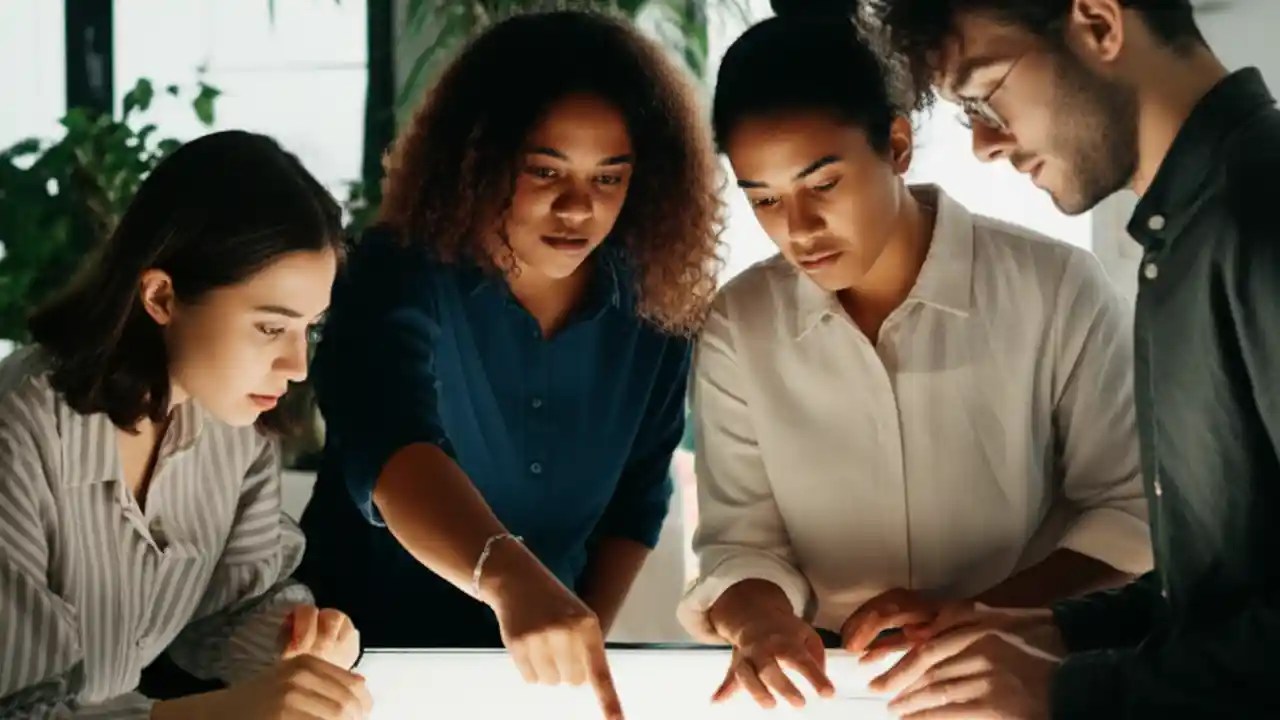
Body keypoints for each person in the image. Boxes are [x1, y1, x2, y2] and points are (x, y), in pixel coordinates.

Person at [676, 6, 1152, 712]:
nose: (798, 228)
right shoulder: (739, 325)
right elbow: (740, 543)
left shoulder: (1055, 289)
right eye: (765, 199)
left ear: (897, 146)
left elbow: (1128, 513)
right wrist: (757, 619)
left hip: (1023, 680)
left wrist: (978, 617)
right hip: (835, 690)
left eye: (823, 185)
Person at [294, 9, 720, 720]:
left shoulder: (654, 309)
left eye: (609, 178)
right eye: (545, 171)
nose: (577, 207)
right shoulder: (399, 271)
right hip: (355, 667)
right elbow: (392, 449)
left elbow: (637, 503)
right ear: (478, 161)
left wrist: (574, 644)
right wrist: (509, 578)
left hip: (523, 690)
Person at [862, 0, 1280, 717]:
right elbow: (1226, 589)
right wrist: (1056, 631)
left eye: (985, 93)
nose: (985, 145)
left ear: (1098, 24)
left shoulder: (1261, 216)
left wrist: (1067, 691)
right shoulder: (1183, 240)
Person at [0, 130, 371, 719]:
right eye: (271, 328)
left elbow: (229, 610)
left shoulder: (234, 426)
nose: (297, 366)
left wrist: (298, 639)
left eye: (311, 328)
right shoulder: (20, 431)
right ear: (162, 297)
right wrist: (226, 713)